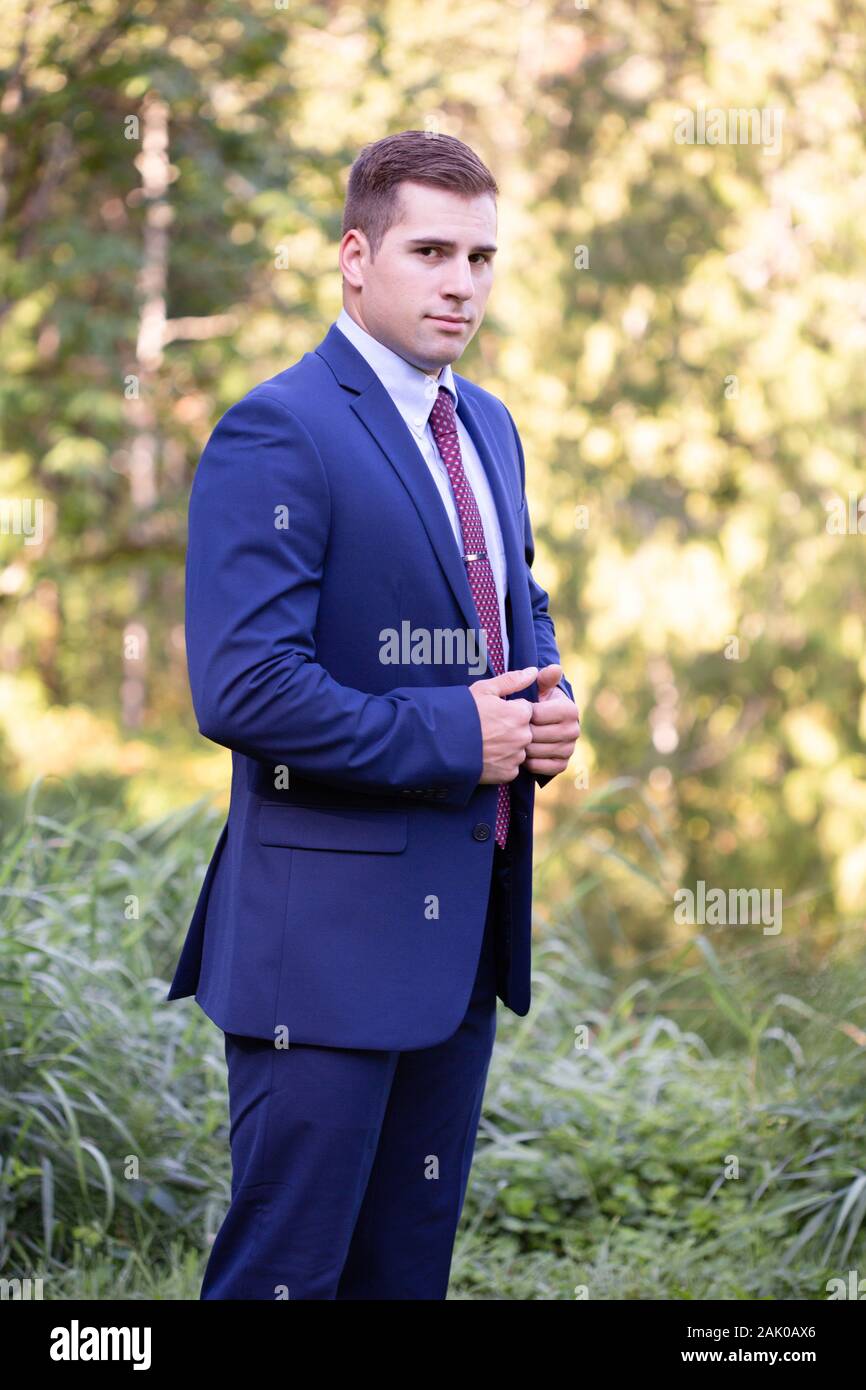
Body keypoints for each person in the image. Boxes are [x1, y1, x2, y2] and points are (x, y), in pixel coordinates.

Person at [166, 128, 580, 1300]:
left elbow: (515, 605)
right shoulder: (279, 428)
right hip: (324, 955)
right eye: (431, 249)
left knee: (403, 1281)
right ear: (356, 257)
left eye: (483, 257)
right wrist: (461, 736)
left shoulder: (486, 423)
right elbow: (244, 685)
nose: (462, 282)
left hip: (458, 946)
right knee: (284, 1279)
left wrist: (548, 704)